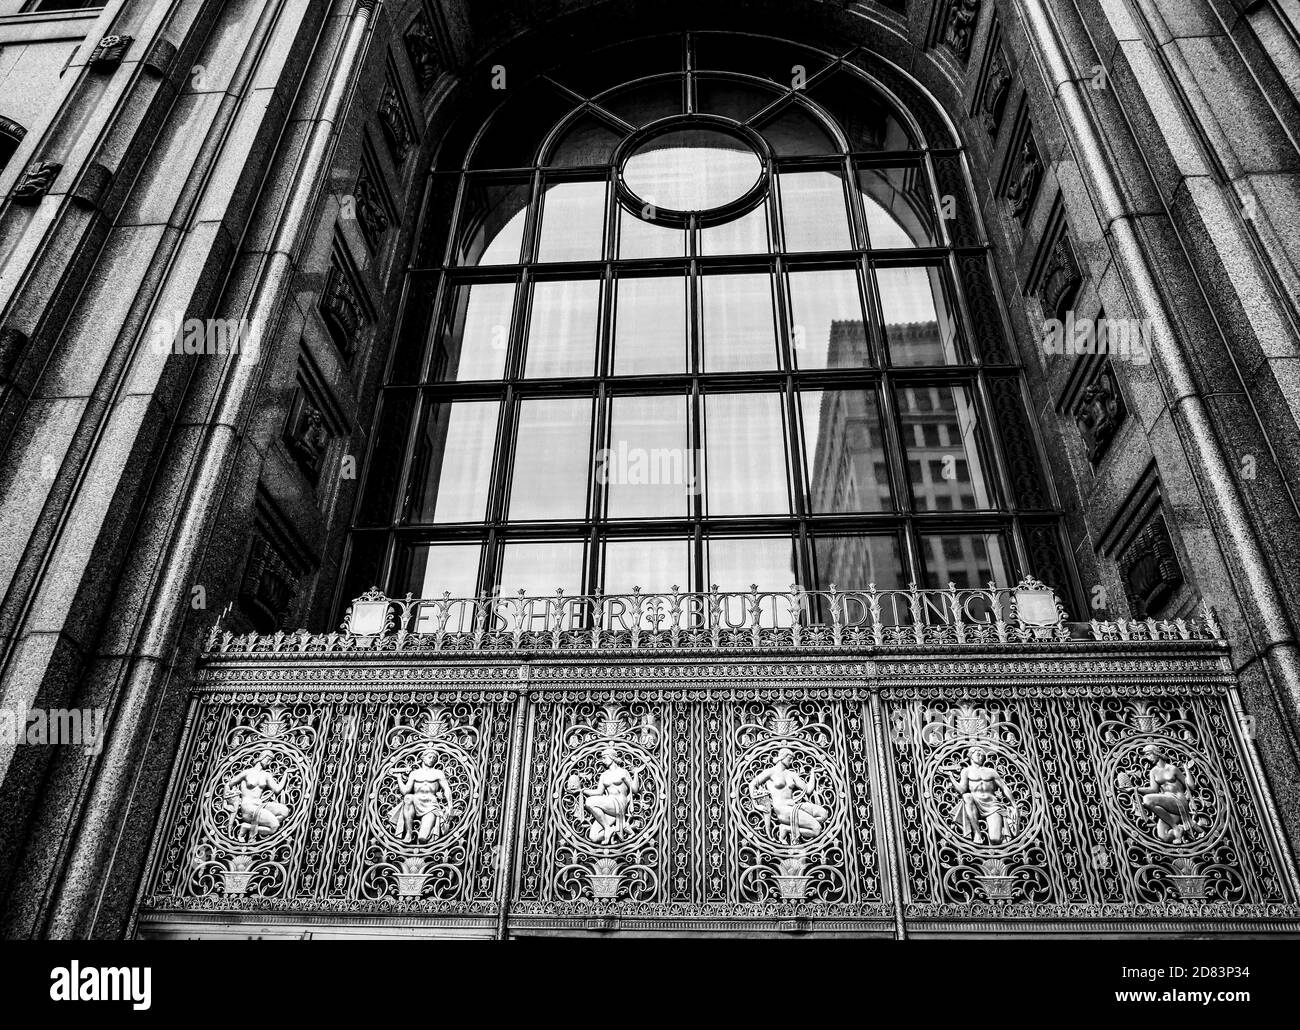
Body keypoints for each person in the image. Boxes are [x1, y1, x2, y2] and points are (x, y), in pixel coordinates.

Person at [748, 747, 828, 844]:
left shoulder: (791, 774)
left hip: (794, 805)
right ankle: (786, 829)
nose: (791, 762)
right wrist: (756, 804)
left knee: (823, 814)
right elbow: (752, 784)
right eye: (789, 759)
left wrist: (812, 773)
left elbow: (808, 790)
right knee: (817, 829)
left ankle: (794, 826)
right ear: (782, 757)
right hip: (783, 810)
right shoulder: (770, 772)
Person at [951, 745, 1019, 844]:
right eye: (978, 754)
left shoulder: (991, 771)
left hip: (992, 805)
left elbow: (1004, 787)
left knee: (995, 839)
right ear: (970, 756)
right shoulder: (966, 771)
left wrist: (1014, 805)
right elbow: (962, 790)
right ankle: (977, 833)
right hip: (975, 803)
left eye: (982, 755)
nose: (981, 756)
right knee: (967, 796)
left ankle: (1001, 831)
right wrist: (951, 777)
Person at [225, 750, 290, 841]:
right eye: (268, 759)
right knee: (275, 826)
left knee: (285, 811)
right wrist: (228, 801)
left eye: (270, 761)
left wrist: (285, 774)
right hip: (248, 807)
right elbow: (229, 784)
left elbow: (277, 789)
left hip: (260, 805)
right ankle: (246, 827)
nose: (269, 763)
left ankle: (252, 826)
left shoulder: (266, 775)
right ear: (261, 758)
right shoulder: (247, 773)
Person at [391, 749, 454, 843]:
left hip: (430, 805)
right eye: (430, 757)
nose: (432, 759)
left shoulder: (438, 773)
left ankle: (432, 831)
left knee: (422, 838)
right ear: (423, 758)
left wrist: (450, 806)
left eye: (434, 758)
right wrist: (399, 778)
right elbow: (405, 791)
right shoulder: (414, 773)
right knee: (408, 798)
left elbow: (446, 789)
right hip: (415, 801)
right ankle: (408, 833)